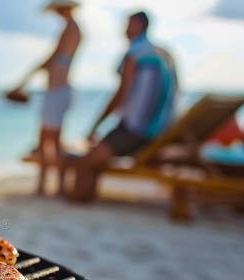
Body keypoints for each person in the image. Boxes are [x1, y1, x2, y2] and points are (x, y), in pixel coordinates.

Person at [65, 11, 177, 202]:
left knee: (85, 163)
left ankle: (78, 200)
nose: (124, 29)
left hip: (135, 130)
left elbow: (121, 94)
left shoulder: (135, 54)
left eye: (128, 24)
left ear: (139, 25)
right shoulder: (162, 54)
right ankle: (82, 197)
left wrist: (95, 125)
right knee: (95, 155)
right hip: (160, 131)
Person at [11, 0, 81, 196]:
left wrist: (25, 79)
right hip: (57, 91)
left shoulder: (71, 29)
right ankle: (45, 185)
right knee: (46, 140)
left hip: (57, 92)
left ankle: (55, 187)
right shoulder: (71, 29)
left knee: (52, 141)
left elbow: (53, 58)